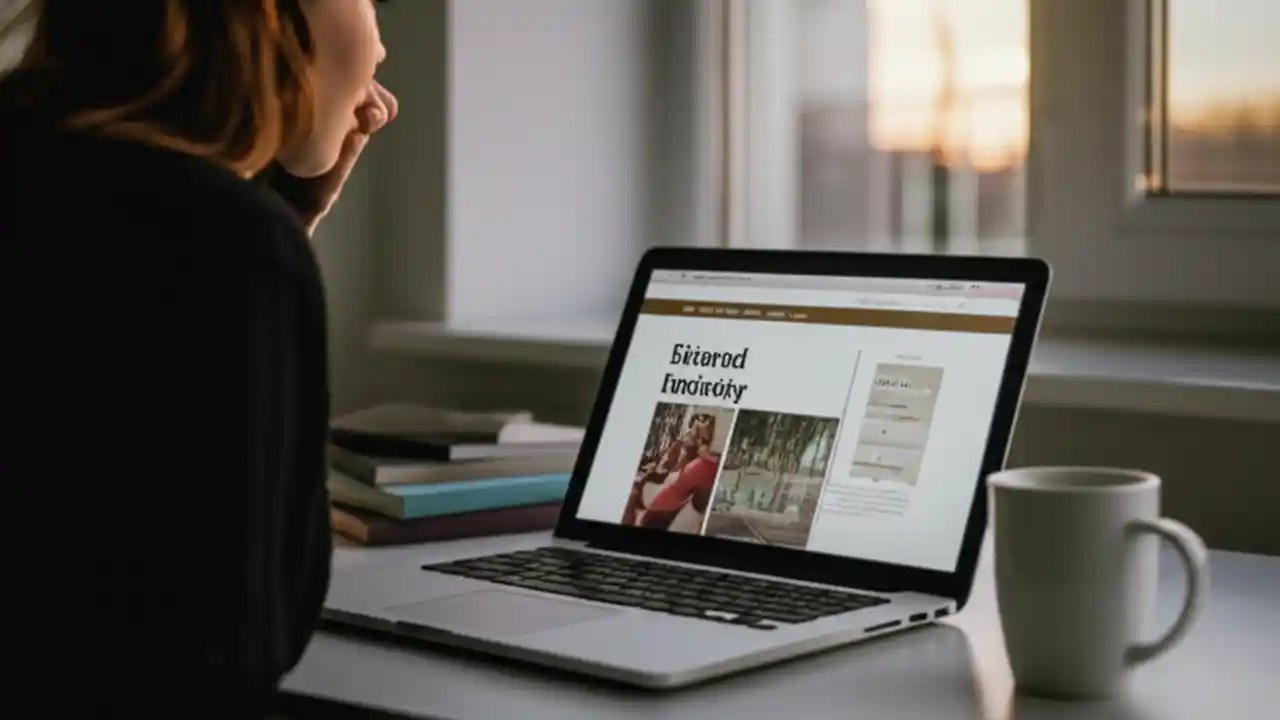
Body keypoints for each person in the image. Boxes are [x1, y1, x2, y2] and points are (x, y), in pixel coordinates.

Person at [1, 1, 395, 715]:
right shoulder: (223, 245)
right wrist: (263, 242)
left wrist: (278, 222)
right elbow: (237, 651)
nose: (381, 48)